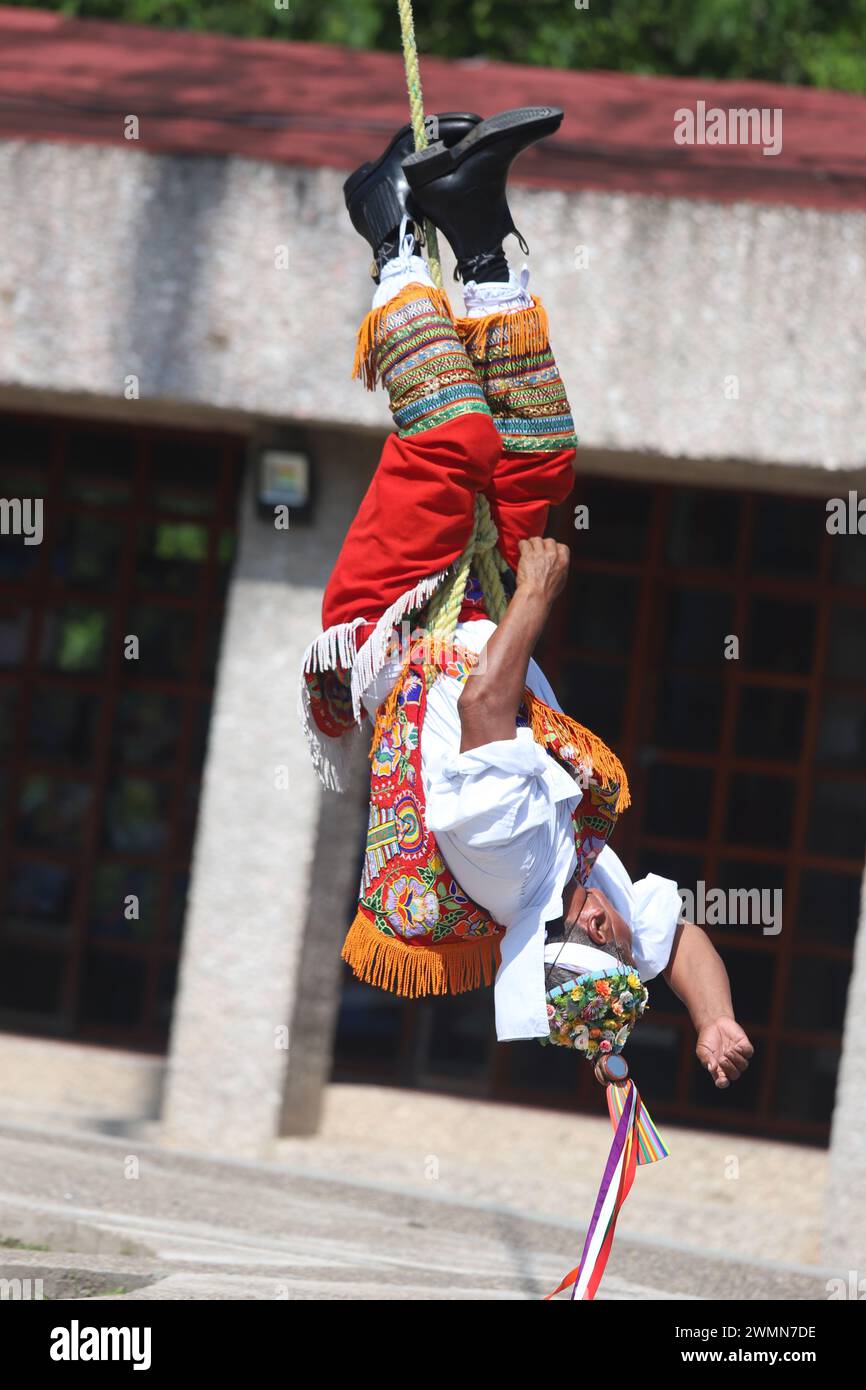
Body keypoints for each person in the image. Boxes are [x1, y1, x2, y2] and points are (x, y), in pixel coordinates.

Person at [299, 107, 753, 1091]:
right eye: (613, 933)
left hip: (399, 626)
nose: (611, 918)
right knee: (538, 454)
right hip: (477, 614)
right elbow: (679, 951)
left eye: (593, 928)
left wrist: (538, 594)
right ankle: (468, 220)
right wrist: (713, 1020)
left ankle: (384, 228)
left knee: (454, 445)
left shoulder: (508, 857)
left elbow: (482, 706)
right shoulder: (603, 912)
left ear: (557, 931)